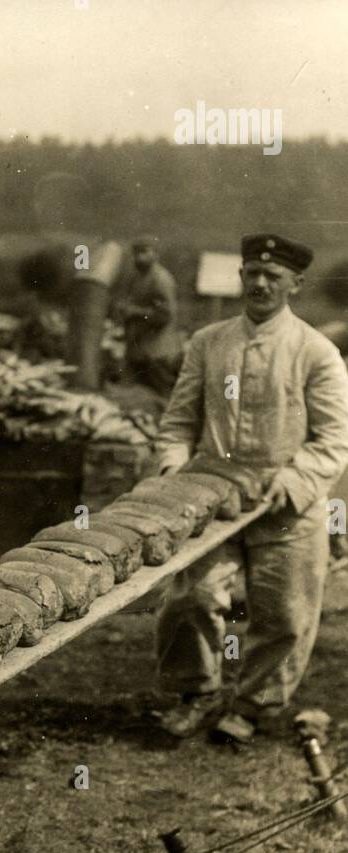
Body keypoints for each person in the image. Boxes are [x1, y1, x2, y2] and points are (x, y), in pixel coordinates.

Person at [156, 232, 348, 743]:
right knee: (190, 598)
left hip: (287, 501)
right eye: (252, 274)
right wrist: (174, 472)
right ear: (240, 277)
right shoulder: (208, 342)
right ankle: (196, 693)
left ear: (295, 284)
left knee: (284, 613)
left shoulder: (317, 353)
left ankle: (255, 705)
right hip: (212, 496)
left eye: (273, 276)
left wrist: (294, 480)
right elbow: (177, 423)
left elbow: (334, 439)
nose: (260, 283)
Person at [115, 235, 182, 397]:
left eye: (144, 252)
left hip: (155, 352)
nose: (139, 257)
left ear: (155, 254)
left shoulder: (161, 279)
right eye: (136, 253)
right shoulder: (137, 277)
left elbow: (165, 315)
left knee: (160, 397)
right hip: (137, 350)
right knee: (135, 398)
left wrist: (135, 312)